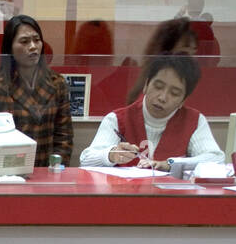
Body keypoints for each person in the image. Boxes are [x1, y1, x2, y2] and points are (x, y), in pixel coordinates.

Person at [81, 53, 223, 172]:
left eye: (174, 93)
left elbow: (217, 158)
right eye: (158, 86)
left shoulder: (194, 121)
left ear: (183, 100)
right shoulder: (117, 119)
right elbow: (86, 160)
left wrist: (171, 164)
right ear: (146, 85)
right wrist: (111, 155)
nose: (162, 97)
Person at [0, 14, 73, 167]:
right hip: (9, 172)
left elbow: (64, 137)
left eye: (37, 39)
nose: (33, 46)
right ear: (10, 48)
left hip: (47, 172)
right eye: (24, 41)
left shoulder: (57, 83)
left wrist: (56, 168)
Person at [124, 18, 197, 102]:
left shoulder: (191, 83)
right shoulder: (145, 98)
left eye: (194, 50)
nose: (191, 58)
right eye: (184, 52)